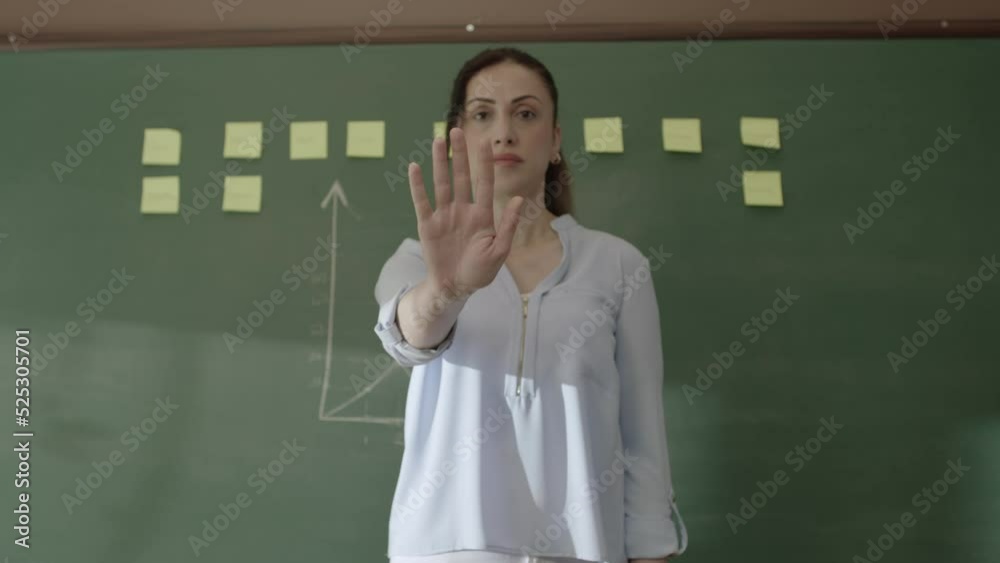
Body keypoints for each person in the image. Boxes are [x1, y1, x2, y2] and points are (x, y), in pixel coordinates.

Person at [374, 47, 688, 563]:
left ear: (556, 139)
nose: (504, 133)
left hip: (583, 550)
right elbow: (409, 337)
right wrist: (448, 289)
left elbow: (643, 439)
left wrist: (651, 550)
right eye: (482, 114)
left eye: (525, 113)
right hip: (446, 549)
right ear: (457, 138)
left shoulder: (618, 265)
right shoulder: (414, 261)